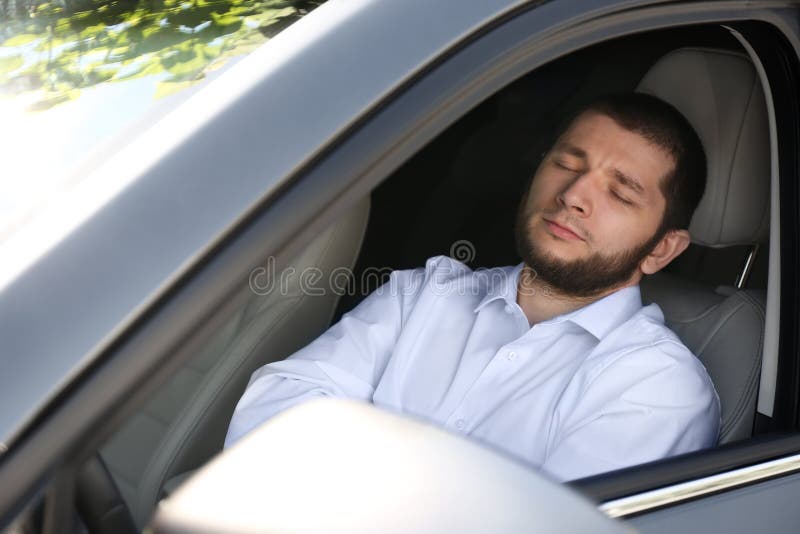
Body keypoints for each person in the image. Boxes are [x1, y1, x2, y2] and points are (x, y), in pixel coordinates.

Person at [224, 92, 720, 481]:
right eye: (567, 165)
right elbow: (272, 413)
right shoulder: (425, 293)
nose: (573, 196)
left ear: (661, 249)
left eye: (619, 193)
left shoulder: (658, 388)